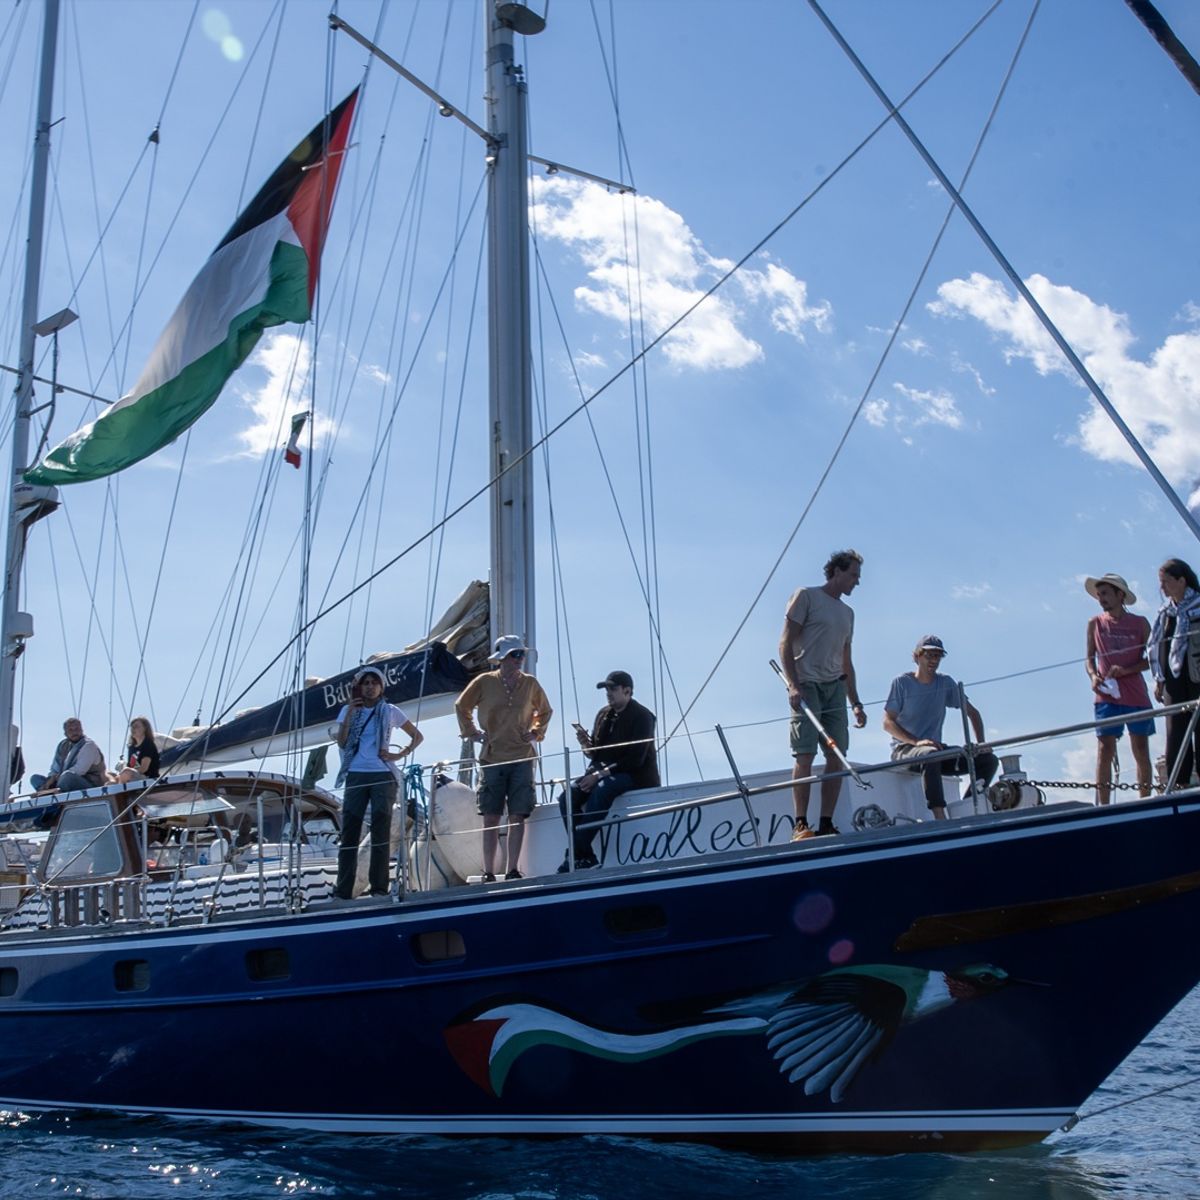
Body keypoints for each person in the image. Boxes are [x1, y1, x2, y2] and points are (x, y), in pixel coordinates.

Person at [778, 549, 867, 839]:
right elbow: (785, 642)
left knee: (837, 754)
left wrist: (855, 702)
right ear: (837, 572)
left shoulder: (848, 613)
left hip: (834, 688)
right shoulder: (806, 596)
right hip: (807, 684)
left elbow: (846, 660)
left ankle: (826, 821)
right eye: (853, 575)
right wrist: (793, 684)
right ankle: (800, 823)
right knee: (805, 753)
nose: (856, 582)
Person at [455, 635, 553, 882]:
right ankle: (488, 871)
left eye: (521, 654)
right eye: (515, 655)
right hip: (492, 757)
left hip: (522, 757)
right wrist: (473, 733)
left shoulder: (530, 684)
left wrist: (535, 732)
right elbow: (461, 706)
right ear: (502, 658)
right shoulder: (484, 682)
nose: (520, 659)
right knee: (491, 815)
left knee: (518, 814)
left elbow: (545, 711)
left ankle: (512, 870)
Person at [882, 635, 999, 820]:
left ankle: (967, 808)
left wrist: (981, 743)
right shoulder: (902, 683)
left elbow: (973, 713)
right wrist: (916, 742)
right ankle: (940, 817)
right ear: (917, 657)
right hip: (905, 751)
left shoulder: (945, 683)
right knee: (930, 754)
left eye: (937, 656)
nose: (933, 660)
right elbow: (888, 722)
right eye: (929, 655)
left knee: (988, 760)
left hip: (936, 750)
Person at [333, 665, 423, 900]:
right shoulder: (348, 711)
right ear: (359, 687)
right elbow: (342, 743)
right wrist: (349, 716)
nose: (370, 687)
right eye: (366, 683)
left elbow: (417, 736)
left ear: (382, 687)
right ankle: (342, 891)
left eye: (374, 683)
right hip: (355, 774)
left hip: (383, 776)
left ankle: (379, 889)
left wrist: (399, 754)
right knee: (349, 834)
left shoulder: (390, 711)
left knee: (381, 834)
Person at [557, 670, 660, 872]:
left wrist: (598, 776)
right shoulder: (604, 714)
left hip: (636, 775)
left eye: (613, 689)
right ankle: (585, 855)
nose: (609, 693)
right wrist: (586, 745)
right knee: (567, 796)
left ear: (627, 691)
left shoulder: (643, 716)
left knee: (603, 789)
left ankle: (575, 854)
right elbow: (596, 754)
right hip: (604, 772)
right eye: (607, 689)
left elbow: (635, 759)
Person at [1084, 573, 1153, 804]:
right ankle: (1102, 805)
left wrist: (1127, 670)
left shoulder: (1141, 623)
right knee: (1105, 749)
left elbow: (1153, 659)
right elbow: (1088, 658)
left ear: (1120, 595)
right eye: (1099, 594)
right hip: (1106, 694)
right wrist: (1093, 676)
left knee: (1141, 748)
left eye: (1105, 593)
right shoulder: (1094, 623)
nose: (1101, 598)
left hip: (1135, 693)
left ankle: (1145, 800)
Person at [1148, 557, 1200, 789]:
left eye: (1166, 581)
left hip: (1197, 673)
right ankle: (1179, 781)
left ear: (1181, 580)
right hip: (1173, 677)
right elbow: (1156, 645)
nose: (1163, 588)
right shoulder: (1165, 612)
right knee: (1175, 729)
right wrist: (1158, 678)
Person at [30, 717, 106, 794]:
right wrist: (50, 779)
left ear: (82, 730)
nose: (74, 732)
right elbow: (55, 768)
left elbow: (79, 770)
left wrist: (55, 778)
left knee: (67, 777)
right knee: (35, 779)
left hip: (89, 786)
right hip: (61, 781)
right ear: (65, 733)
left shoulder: (89, 745)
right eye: (70, 730)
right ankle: (50, 792)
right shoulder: (63, 745)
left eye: (77, 729)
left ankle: (51, 793)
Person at [108, 716, 161, 784]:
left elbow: (143, 768)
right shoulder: (132, 748)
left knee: (126, 772)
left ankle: (121, 793)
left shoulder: (147, 744)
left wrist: (126, 773)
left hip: (148, 779)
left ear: (145, 729)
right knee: (110, 776)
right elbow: (131, 766)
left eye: (136, 726)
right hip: (134, 776)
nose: (133, 729)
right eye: (132, 727)